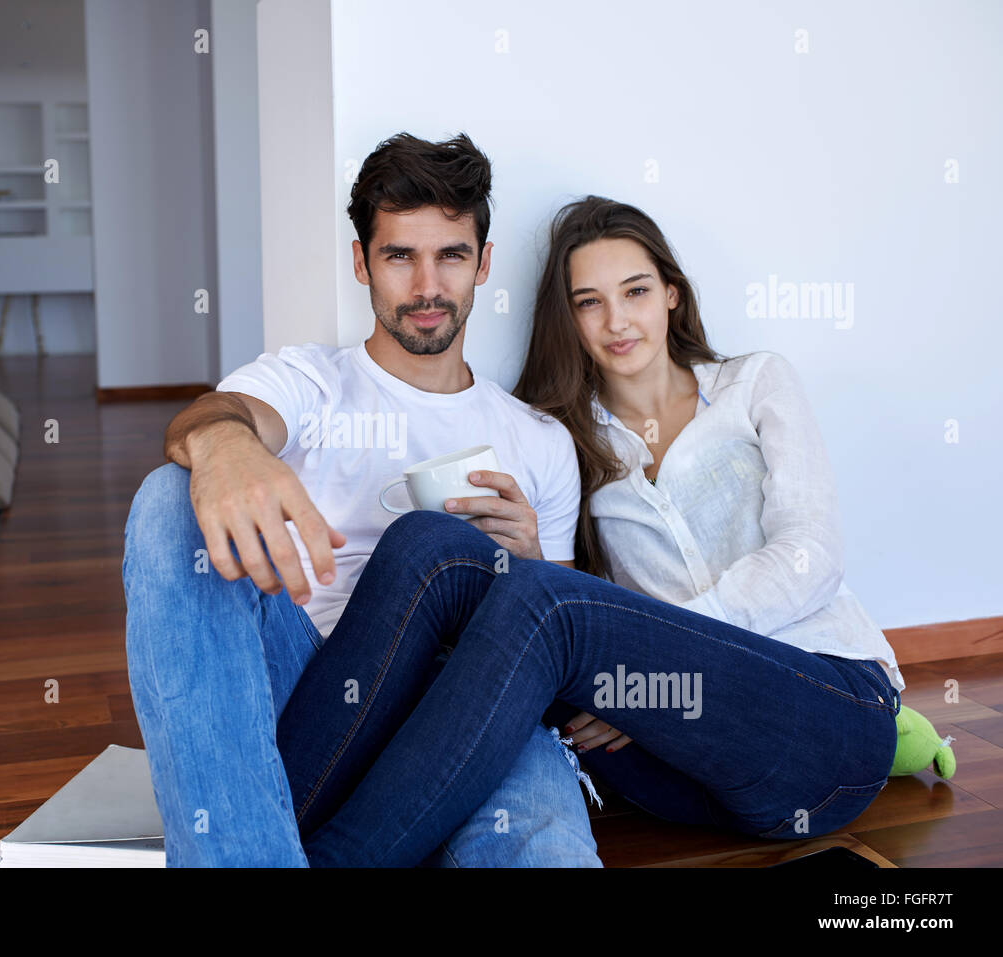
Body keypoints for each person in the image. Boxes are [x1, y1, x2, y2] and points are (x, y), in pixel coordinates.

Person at [276, 196, 907, 867]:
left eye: (635, 291)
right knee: (445, 552)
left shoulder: (755, 384)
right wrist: (540, 574)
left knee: (545, 610)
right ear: (568, 320)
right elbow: (582, 601)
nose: (616, 320)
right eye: (588, 302)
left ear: (671, 292)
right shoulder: (562, 439)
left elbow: (812, 554)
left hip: (830, 716)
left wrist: (654, 667)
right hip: (680, 770)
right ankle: (271, 835)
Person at [121, 132, 603, 866]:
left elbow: (564, 654)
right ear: (361, 262)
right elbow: (210, 419)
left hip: (471, 697)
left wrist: (531, 564)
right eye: (399, 255)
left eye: (450, 255)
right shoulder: (313, 383)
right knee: (169, 498)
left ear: (484, 262)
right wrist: (225, 445)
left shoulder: (538, 440)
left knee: (540, 839)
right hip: (310, 692)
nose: (427, 286)